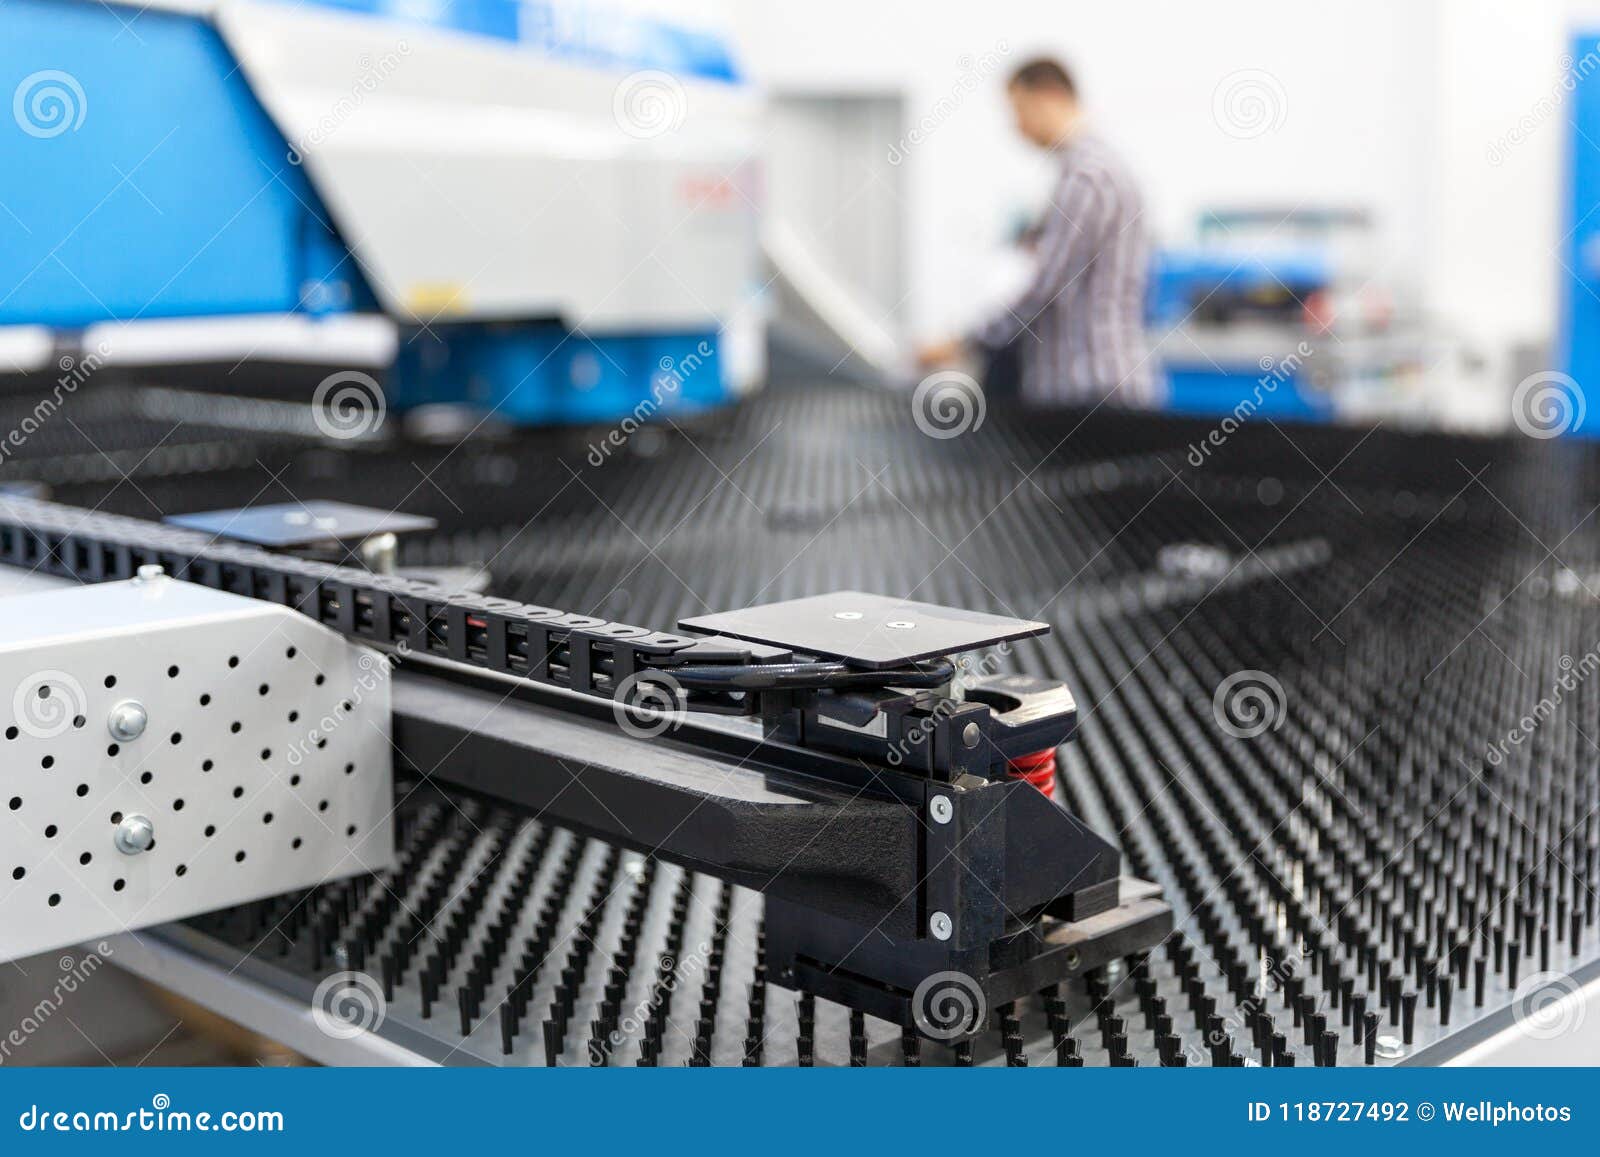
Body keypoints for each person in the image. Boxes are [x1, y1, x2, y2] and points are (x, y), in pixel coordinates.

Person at [917, 57, 1156, 406]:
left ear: (1047, 97)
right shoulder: (1094, 170)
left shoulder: (1087, 177)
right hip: (1095, 388)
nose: (1017, 127)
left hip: (1090, 390)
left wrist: (962, 344)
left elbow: (1045, 288)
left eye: (1018, 110)